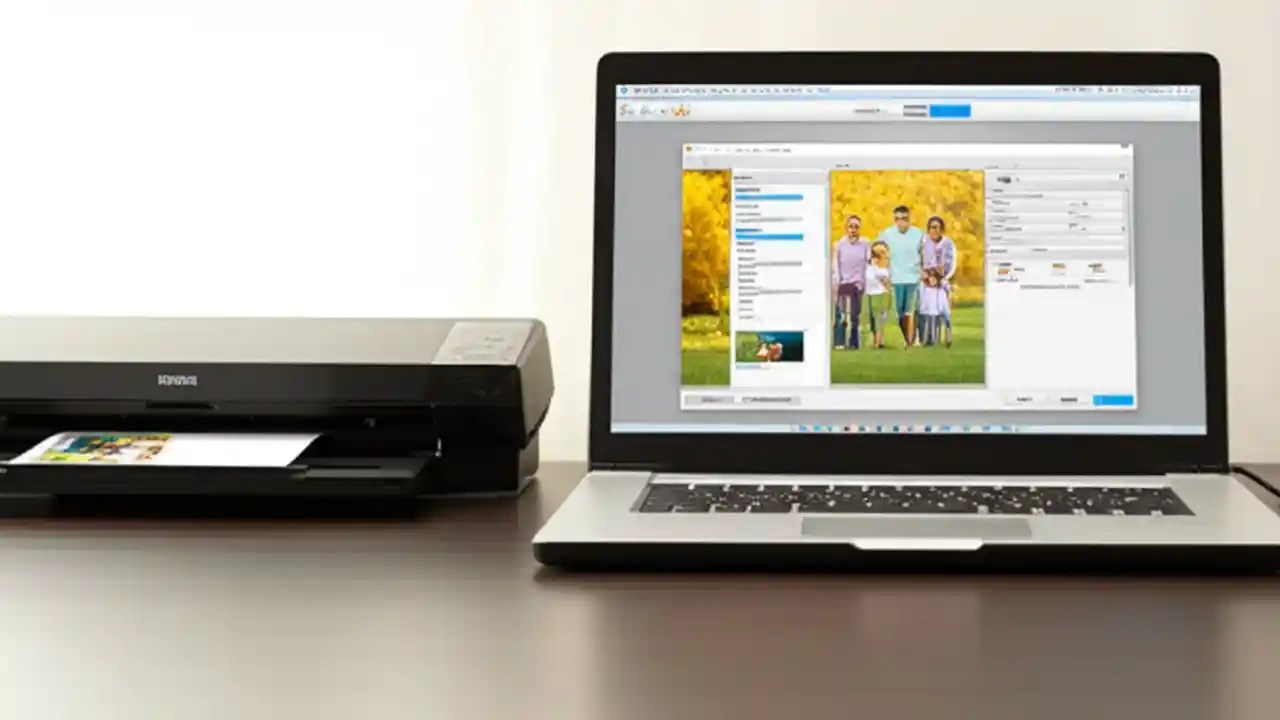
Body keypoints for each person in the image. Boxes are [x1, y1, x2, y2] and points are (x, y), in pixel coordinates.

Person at [877, 205, 925, 348]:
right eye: (898, 219)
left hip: (914, 278)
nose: (901, 222)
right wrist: (882, 274)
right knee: (900, 312)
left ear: (909, 218)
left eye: (904, 218)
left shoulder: (918, 234)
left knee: (912, 310)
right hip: (896, 278)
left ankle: (913, 339)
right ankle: (907, 338)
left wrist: (924, 271)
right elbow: (878, 253)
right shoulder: (886, 234)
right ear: (894, 219)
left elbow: (924, 254)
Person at [831, 214, 870, 349]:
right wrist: (837, 281)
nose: (853, 229)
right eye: (851, 226)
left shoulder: (865, 244)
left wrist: (865, 283)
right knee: (841, 314)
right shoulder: (839, 244)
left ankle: (853, 342)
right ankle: (839, 341)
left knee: (855, 315)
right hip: (843, 283)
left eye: (856, 227)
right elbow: (836, 264)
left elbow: (867, 263)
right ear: (846, 228)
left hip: (858, 284)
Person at [921, 216, 958, 347]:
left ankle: (948, 338)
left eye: (937, 227)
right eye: (932, 227)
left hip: (943, 282)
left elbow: (950, 264)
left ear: (942, 229)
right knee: (929, 311)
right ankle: (930, 339)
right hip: (927, 282)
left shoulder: (948, 244)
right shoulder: (924, 243)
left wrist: (941, 278)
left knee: (944, 311)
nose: (934, 230)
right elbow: (920, 263)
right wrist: (925, 276)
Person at [864, 240, 892, 349]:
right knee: (873, 318)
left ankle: (879, 341)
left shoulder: (883, 268)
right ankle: (877, 339)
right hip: (871, 294)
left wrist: (888, 290)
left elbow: (886, 281)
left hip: (881, 294)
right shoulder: (870, 266)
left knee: (878, 318)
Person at [918, 268, 944, 346]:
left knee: (933, 324)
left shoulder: (937, 289)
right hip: (925, 310)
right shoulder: (924, 287)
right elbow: (923, 298)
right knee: (926, 324)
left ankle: (933, 340)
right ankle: (925, 340)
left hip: (934, 311)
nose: (933, 281)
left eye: (934, 280)